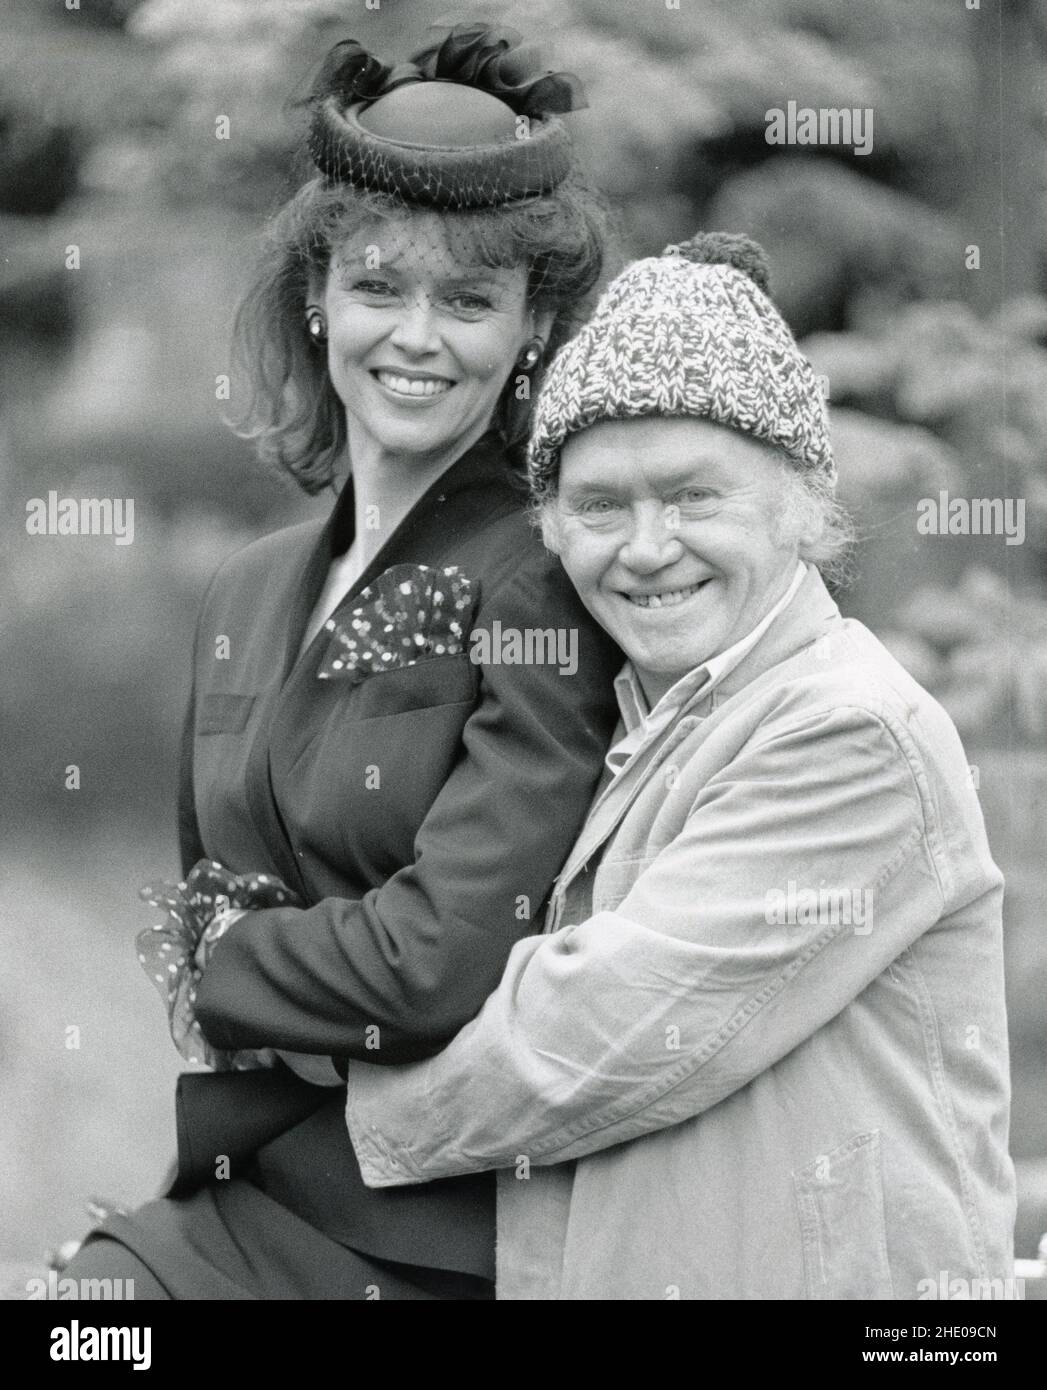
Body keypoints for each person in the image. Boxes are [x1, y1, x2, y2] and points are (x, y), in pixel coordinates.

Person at [343, 232, 1017, 1300]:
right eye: (602, 505)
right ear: (554, 528)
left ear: (799, 504)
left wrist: (318, 1092)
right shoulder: (627, 721)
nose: (646, 546)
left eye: (696, 497)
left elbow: (597, 1039)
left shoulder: (851, 732)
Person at [59, 22, 622, 1300]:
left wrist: (222, 960)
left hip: (428, 1236)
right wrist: (231, 954)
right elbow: (206, 883)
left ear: (532, 328)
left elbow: (444, 961)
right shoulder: (247, 585)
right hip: (236, 1189)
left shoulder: (542, 576)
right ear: (318, 299)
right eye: (380, 287)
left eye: (469, 300)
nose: (416, 335)